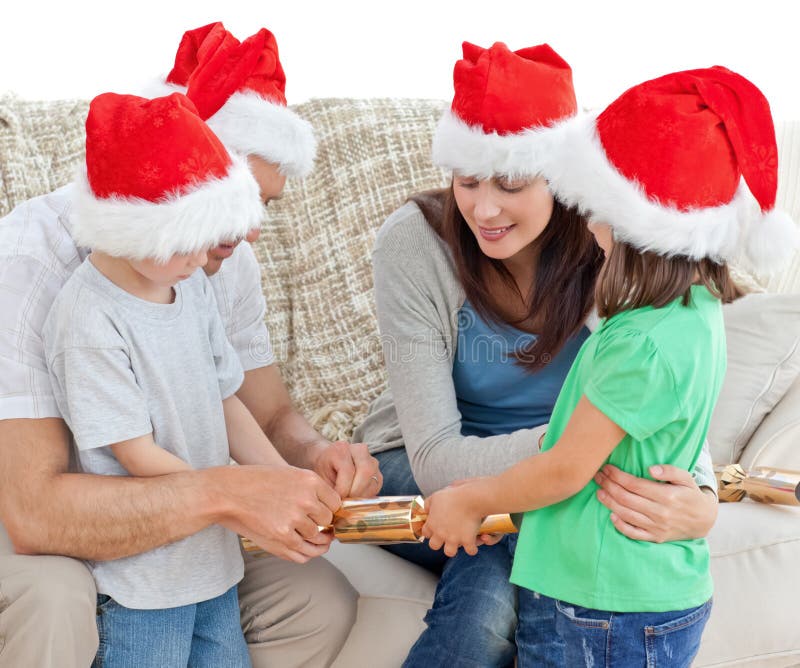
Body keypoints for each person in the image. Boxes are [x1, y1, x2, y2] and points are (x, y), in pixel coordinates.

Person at [0, 24, 380, 668]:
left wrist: (311, 464)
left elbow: (259, 410)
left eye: (261, 204)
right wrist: (229, 491)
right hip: (38, 522)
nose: (250, 233)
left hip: (187, 522)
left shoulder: (211, 266)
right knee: (61, 597)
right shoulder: (39, 266)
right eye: (236, 202)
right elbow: (35, 513)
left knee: (320, 601)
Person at [353, 42, 720, 666]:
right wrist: (573, 460)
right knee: (505, 580)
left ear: (564, 180)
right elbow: (439, 459)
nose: (484, 208)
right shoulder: (414, 244)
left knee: (487, 602)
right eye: (467, 182)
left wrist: (700, 498)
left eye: (512, 183)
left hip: (564, 466)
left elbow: (659, 374)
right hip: (424, 465)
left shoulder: (611, 242)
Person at [422, 66, 798, 667]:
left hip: (600, 606)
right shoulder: (694, 312)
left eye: (595, 205)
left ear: (631, 220)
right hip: (627, 596)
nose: (586, 220)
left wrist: (473, 499)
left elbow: (565, 468)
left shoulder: (641, 343)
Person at [42, 90, 292, 667]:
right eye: (185, 241)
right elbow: (137, 455)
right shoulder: (88, 319)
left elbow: (225, 396)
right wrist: (236, 499)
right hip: (144, 582)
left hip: (212, 565)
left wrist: (279, 478)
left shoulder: (192, 284)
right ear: (134, 229)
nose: (204, 256)